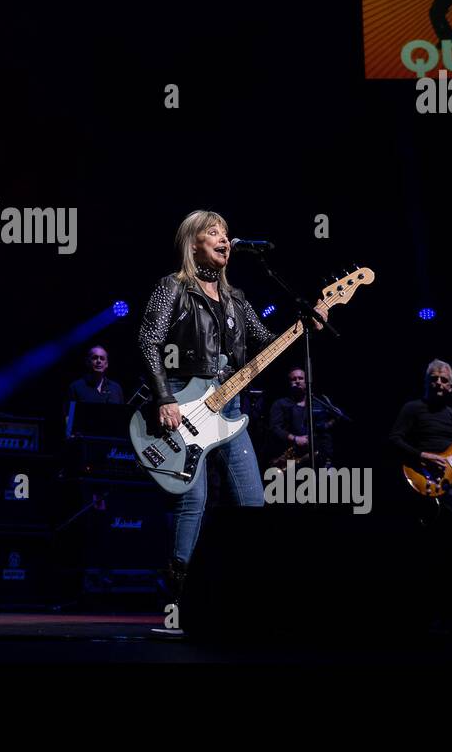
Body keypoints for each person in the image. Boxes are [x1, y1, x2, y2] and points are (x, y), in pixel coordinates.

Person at [137, 210, 278, 611]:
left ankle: (249, 595)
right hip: (183, 399)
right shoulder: (173, 287)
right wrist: (164, 397)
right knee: (191, 501)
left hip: (229, 407)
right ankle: (179, 594)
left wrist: (307, 320)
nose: (225, 240)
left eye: (227, 234)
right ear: (193, 242)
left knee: (252, 501)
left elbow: (267, 341)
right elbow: (149, 341)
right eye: (213, 232)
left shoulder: (236, 299)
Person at [388, 359, 452, 547]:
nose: (439, 382)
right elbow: (394, 440)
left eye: (444, 380)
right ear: (426, 382)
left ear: (451, 387)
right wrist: (423, 455)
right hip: (429, 476)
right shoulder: (412, 408)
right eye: (434, 378)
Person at [267, 367, 337, 467]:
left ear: (307, 381)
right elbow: (275, 428)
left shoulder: (316, 403)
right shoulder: (280, 404)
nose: (297, 381)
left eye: (300, 378)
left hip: (316, 458)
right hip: (290, 457)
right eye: (294, 379)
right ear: (289, 383)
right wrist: (295, 439)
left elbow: (325, 430)